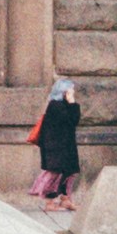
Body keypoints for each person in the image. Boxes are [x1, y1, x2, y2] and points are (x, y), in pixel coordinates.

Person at [33, 78, 81, 208]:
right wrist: (72, 103)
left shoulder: (66, 105)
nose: (73, 92)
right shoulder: (55, 105)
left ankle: (65, 199)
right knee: (55, 174)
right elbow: (67, 120)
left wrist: (72, 103)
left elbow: (75, 121)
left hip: (67, 146)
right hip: (56, 147)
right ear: (64, 91)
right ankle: (50, 202)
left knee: (69, 172)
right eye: (71, 89)